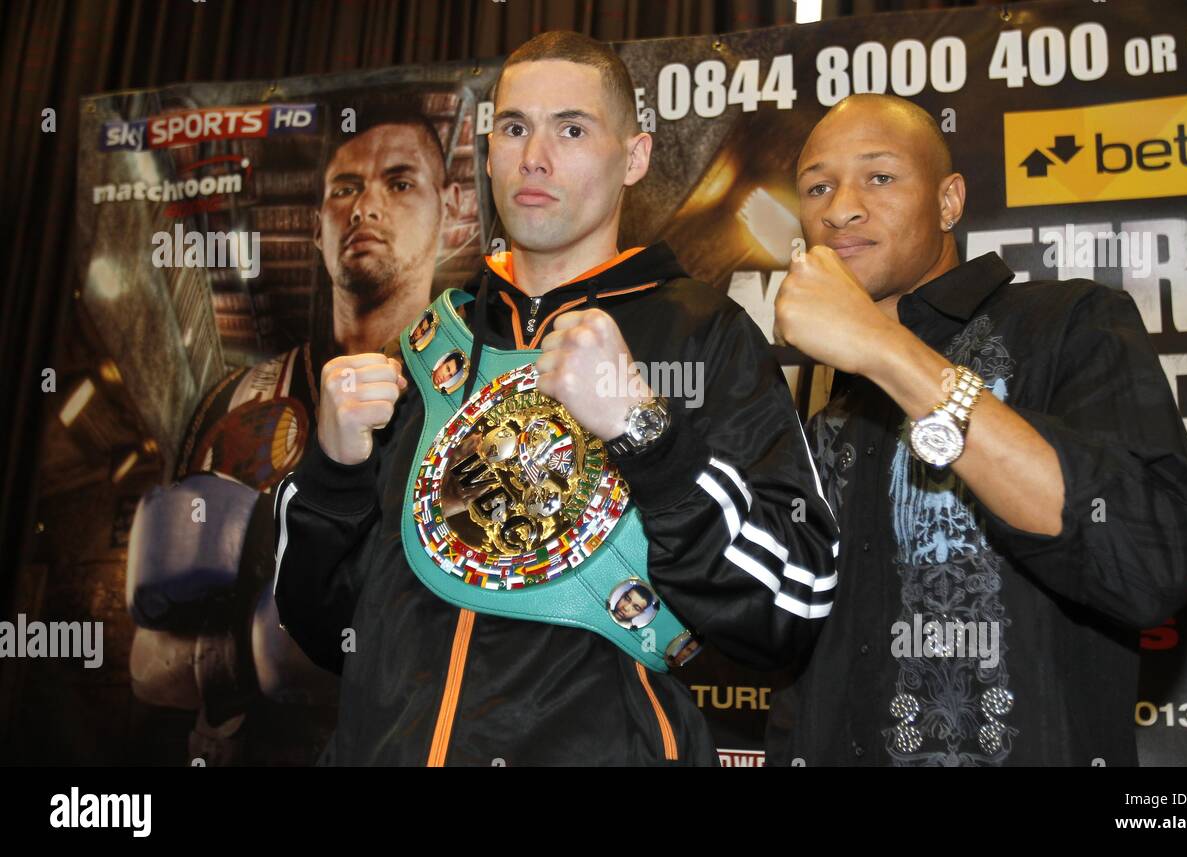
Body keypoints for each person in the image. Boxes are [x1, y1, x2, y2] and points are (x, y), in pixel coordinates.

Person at [271, 31, 838, 765]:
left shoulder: (701, 332)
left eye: (571, 129)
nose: (534, 156)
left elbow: (793, 605)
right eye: (514, 128)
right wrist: (334, 475)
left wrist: (646, 434)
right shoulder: (424, 346)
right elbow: (323, 630)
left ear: (634, 157)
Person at [767, 93, 1187, 766]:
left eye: (879, 176)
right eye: (818, 186)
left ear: (949, 202)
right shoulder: (822, 392)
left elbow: (1144, 560)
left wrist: (887, 351)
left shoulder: (1068, 321)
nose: (840, 207)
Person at [126, 104, 463, 762]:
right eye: (345, 188)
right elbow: (156, 658)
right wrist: (241, 660)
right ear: (316, 226)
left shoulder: (489, 394)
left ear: (449, 208)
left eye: (399, 182)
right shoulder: (240, 401)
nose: (366, 206)